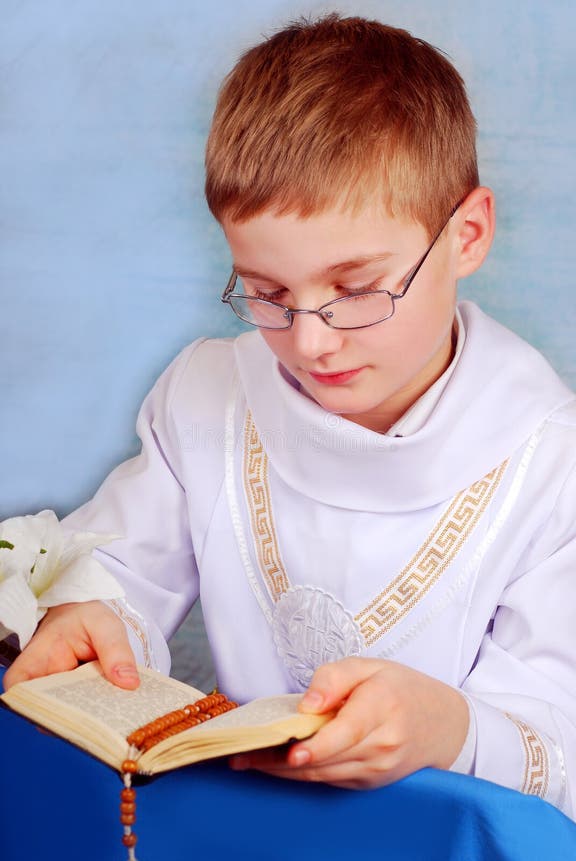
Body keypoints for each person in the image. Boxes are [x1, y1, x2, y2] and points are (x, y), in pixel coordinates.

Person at [4, 14, 576, 815]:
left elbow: (561, 739)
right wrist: (92, 619)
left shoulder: (551, 463)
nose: (310, 341)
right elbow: (122, 575)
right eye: (268, 294)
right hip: (236, 821)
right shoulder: (208, 394)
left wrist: (450, 727)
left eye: (355, 288)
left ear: (468, 234)